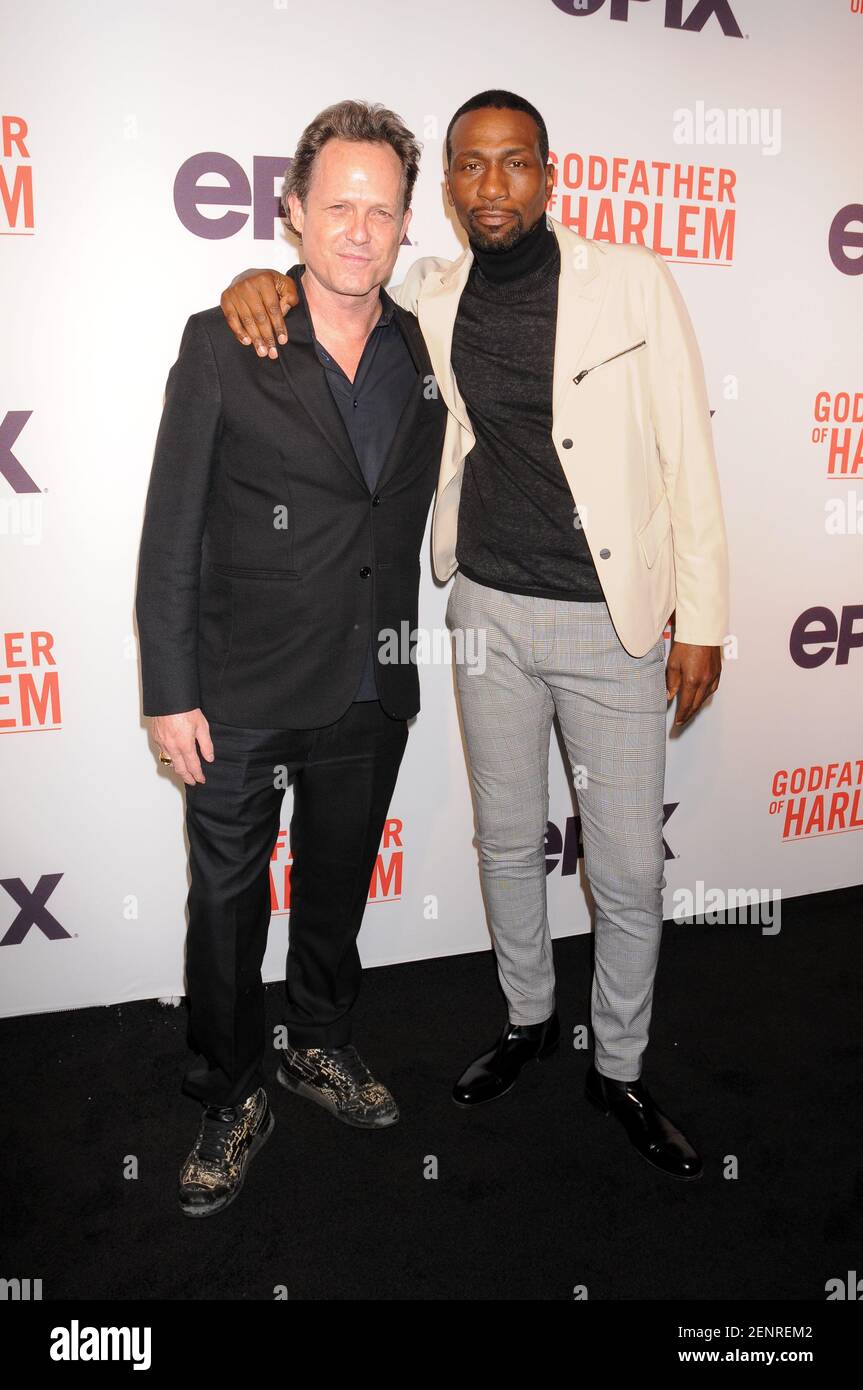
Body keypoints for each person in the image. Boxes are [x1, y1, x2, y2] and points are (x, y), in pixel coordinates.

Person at [217, 90, 730, 1181]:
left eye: (512, 164)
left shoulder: (629, 281)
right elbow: (328, 287)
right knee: (505, 844)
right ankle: (527, 1017)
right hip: (486, 611)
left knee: (627, 871)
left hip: (615, 623)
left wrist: (706, 618)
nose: (490, 185)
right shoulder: (428, 293)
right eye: (469, 167)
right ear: (444, 190)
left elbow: (687, 450)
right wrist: (252, 280)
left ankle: (623, 1066)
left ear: (549, 174)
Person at [135, 100, 446, 1216]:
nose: (359, 229)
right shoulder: (228, 338)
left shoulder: (425, 342)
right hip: (239, 686)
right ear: (293, 214)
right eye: (338, 206)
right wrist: (169, 690)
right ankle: (228, 1092)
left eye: (381, 209)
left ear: (406, 223)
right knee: (224, 904)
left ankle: (318, 1042)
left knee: (332, 889)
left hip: (371, 682)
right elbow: (170, 529)